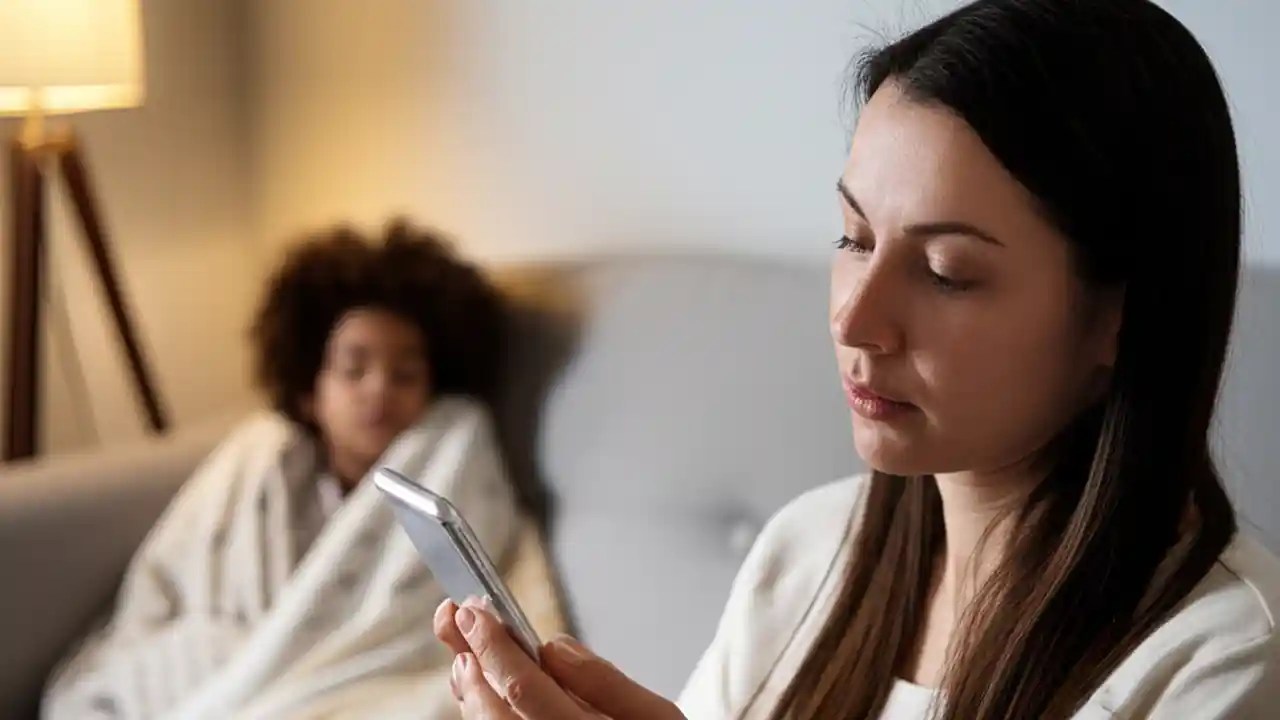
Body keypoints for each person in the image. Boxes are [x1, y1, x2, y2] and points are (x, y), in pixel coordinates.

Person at [432, 1, 1280, 718]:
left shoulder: (1223, 659)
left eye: (947, 273)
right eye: (854, 236)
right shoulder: (809, 551)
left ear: (1120, 320)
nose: (855, 316)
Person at [43, 221, 567, 720]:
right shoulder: (263, 462)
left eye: (405, 373)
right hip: (234, 665)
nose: (378, 389)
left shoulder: (447, 461)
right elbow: (177, 589)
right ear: (310, 391)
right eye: (354, 368)